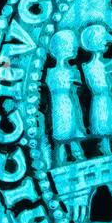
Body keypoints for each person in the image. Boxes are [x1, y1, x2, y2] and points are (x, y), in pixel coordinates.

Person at [79, 23, 112, 155]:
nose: (107, 44)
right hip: (102, 97)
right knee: (104, 121)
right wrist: (109, 71)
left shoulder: (106, 63)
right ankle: (106, 145)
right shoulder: (90, 66)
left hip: (111, 95)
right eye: (103, 41)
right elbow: (94, 82)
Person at [47, 29, 88, 164]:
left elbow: (78, 85)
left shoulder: (73, 70)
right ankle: (61, 158)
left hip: (71, 102)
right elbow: (52, 87)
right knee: (62, 131)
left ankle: (77, 153)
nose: (75, 49)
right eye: (72, 46)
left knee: (74, 128)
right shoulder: (52, 72)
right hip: (59, 103)